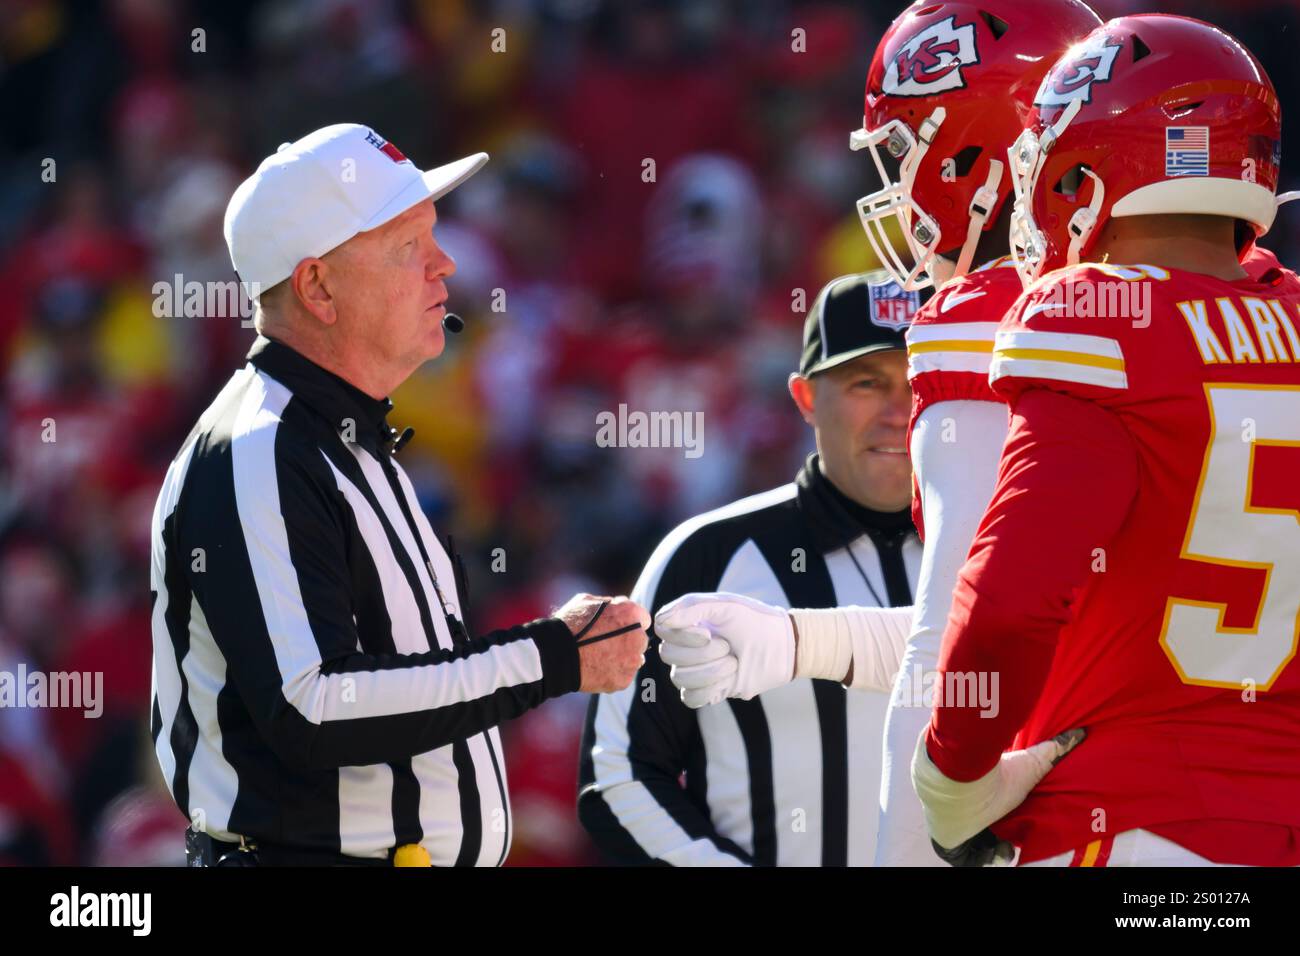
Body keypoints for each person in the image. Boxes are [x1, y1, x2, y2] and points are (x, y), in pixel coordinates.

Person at [654, 0, 1104, 866]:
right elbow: (1061, 617)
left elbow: (961, 643)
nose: (898, 186)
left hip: (1116, 823)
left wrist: (909, 839)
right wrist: (799, 640)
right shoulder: (1242, 305)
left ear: (986, 146)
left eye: (905, 149)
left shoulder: (995, 323)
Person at [149, 123, 648, 867]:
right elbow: (310, 706)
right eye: (408, 245)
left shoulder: (339, 439)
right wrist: (552, 656)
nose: (445, 265)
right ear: (317, 287)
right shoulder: (260, 448)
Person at [912, 13, 1300, 866]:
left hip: (1135, 826)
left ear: (1091, 169)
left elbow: (1009, 603)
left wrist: (951, 774)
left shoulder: (1094, 317)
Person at [578, 273, 923, 865]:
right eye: (867, 382)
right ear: (806, 398)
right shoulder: (707, 555)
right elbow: (619, 771)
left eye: (920, 382)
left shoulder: (995, 547)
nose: (900, 412)